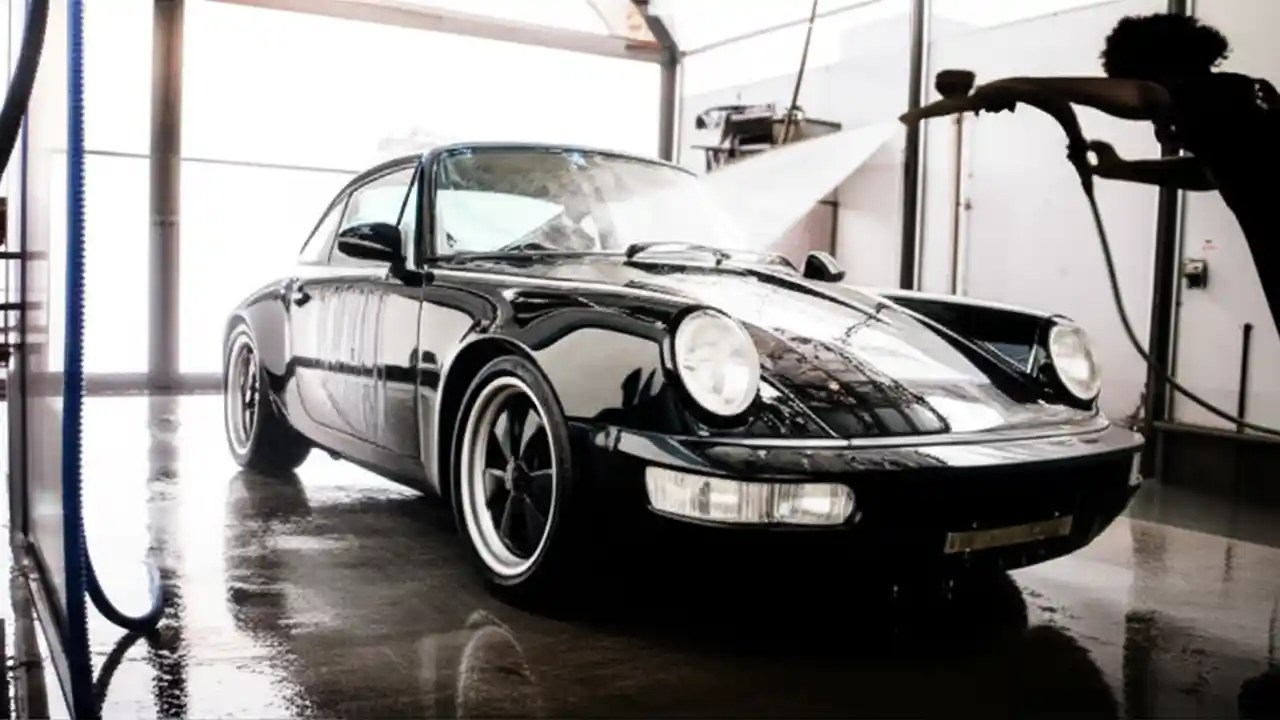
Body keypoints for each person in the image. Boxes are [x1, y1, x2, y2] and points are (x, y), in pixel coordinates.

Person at [963, 13, 1280, 333]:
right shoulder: (1240, 103)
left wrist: (1019, 85)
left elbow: (1144, 96)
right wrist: (1123, 169)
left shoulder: (1210, 92)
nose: (1160, 132)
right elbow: (1211, 173)